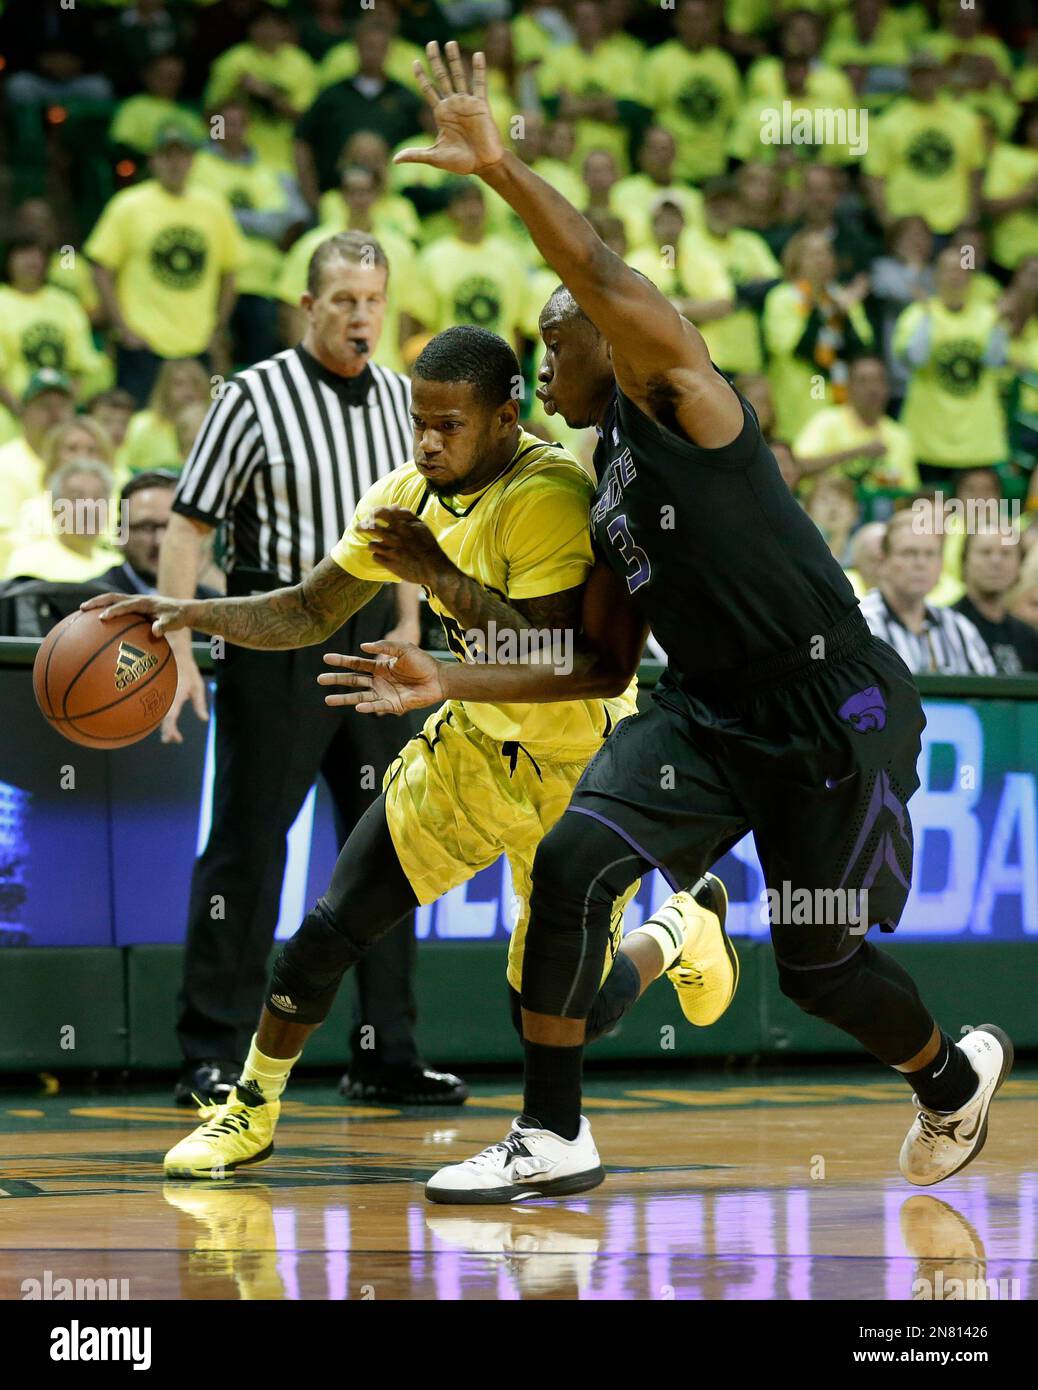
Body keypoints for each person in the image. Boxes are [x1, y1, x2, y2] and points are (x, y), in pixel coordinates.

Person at [319, 43, 1013, 1202]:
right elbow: (592, 663)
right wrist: (448, 674)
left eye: (558, 341)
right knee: (576, 857)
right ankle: (553, 1132)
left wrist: (501, 168)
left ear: (612, 332)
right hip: (707, 709)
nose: (544, 371)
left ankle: (950, 1077)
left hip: (829, 702)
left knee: (820, 969)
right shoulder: (604, 485)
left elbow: (591, 262)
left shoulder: (687, 394)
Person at [87, 323, 739, 1179]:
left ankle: (681, 927)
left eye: (450, 425)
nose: (429, 442)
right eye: (419, 422)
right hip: (471, 750)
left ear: (507, 418)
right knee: (329, 927)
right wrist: (191, 612)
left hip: (576, 768)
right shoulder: (407, 491)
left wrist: (438, 573)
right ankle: (249, 1109)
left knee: (556, 1015)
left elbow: (553, 658)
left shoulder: (548, 495)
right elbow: (309, 610)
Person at [92, 229, 465, 1110]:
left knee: (393, 845)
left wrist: (410, 614)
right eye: (344, 300)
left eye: (374, 300)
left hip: (374, 630)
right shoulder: (253, 396)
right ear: (308, 305)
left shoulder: (398, 403)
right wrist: (180, 647)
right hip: (276, 628)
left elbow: (411, 521)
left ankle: (385, 1053)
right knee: (248, 851)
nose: (361, 315)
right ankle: (210, 1054)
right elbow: (189, 526)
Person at [86, 125, 246, 407]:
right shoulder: (128, 205)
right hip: (144, 342)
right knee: (140, 423)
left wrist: (217, 328)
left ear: (193, 160)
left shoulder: (214, 206)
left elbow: (229, 270)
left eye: (182, 156)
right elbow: (100, 267)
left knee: (199, 425)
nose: (175, 163)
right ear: (153, 161)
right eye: (167, 156)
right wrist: (123, 328)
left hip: (197, 342)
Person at [859, 513, 997, 676]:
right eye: (909, 553)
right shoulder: (860, 624)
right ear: (883, 562)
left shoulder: (959, 628)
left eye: (930, 554)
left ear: (941, 564)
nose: (921, 563)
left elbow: (988, 695)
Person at [95, 471, 219, 599]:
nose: (159, 541)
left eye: (171, 527)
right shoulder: (89, 600)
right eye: (146, 527)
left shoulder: (211, 604)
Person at [5, 458, 114, 583]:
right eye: (77, 497)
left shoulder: (117, 566)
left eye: (98, 499)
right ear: (55, 509)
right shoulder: (29, 560)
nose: (89, 507)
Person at [954, 530, 1038, 675]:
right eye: (985, 552)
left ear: (1020, 564)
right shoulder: (947, 629)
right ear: (965, 560)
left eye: (1006, 553)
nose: (996, 561)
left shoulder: (1029, 638)